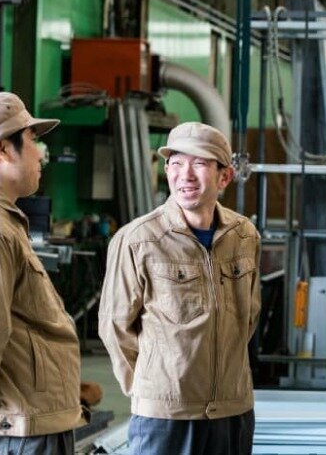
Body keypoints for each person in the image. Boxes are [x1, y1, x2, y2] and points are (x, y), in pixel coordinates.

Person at [99, 122, 261, 455]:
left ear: (224, 177)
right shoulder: (139, 240)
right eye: (176, 163)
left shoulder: (244, 235)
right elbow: (115, 327)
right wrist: (151, 389)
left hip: (232, 409)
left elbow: (248, 316)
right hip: (166, 415)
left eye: (199, 163)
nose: (184, 174)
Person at [0, 92, 83, 455]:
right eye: (31, 140)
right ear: (2, 149)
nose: (40, 154)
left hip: (18, 425)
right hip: (14, 433)